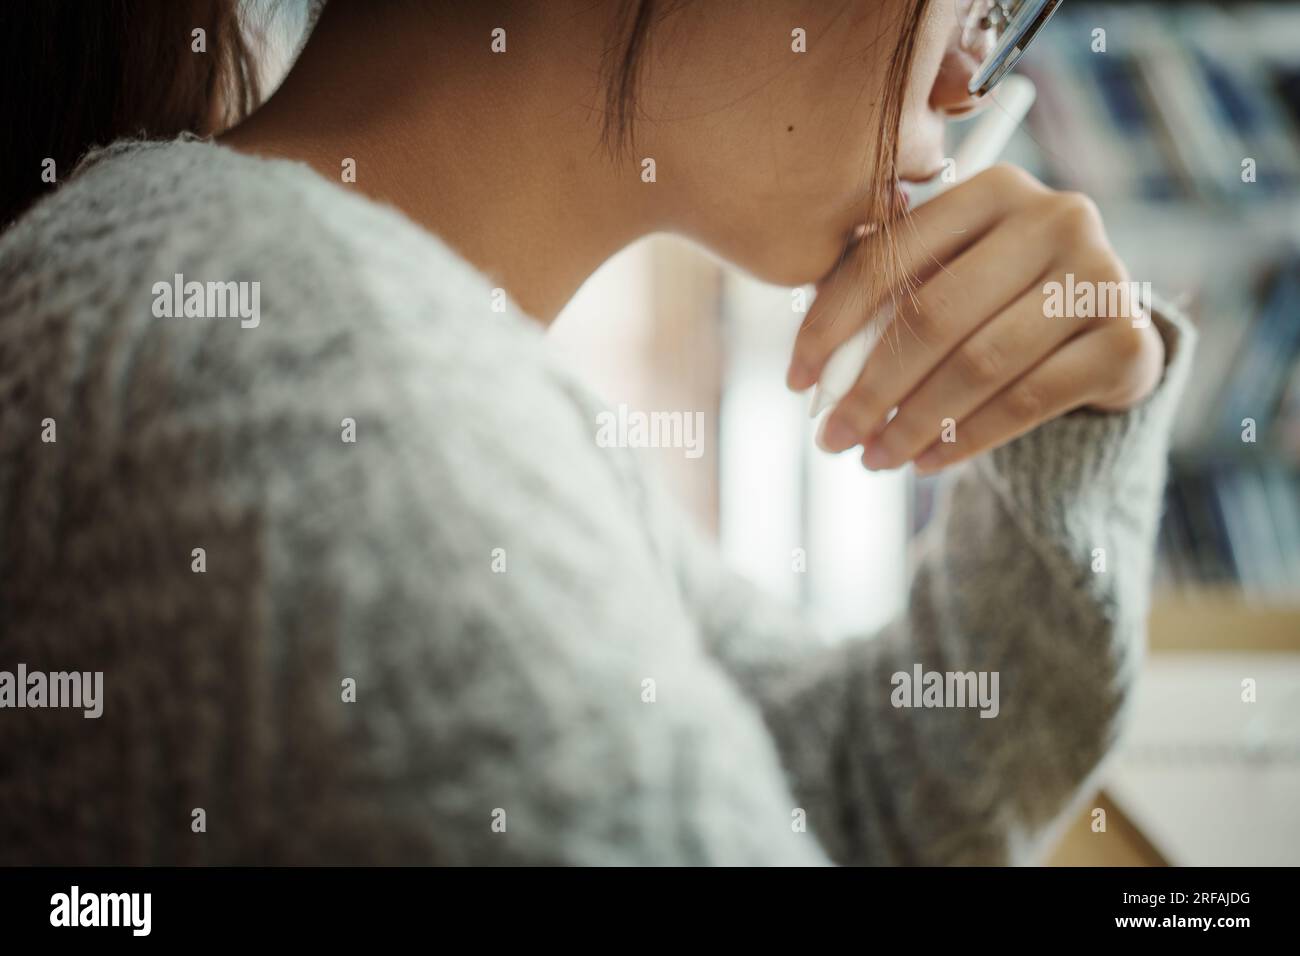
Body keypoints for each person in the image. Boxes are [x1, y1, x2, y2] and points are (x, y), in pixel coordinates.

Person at [0, 0, 1194, 864]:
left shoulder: (342, 325)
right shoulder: (299, 372)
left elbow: (855, 800)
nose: (972, 79)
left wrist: (1075, 419)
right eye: (983, 2)